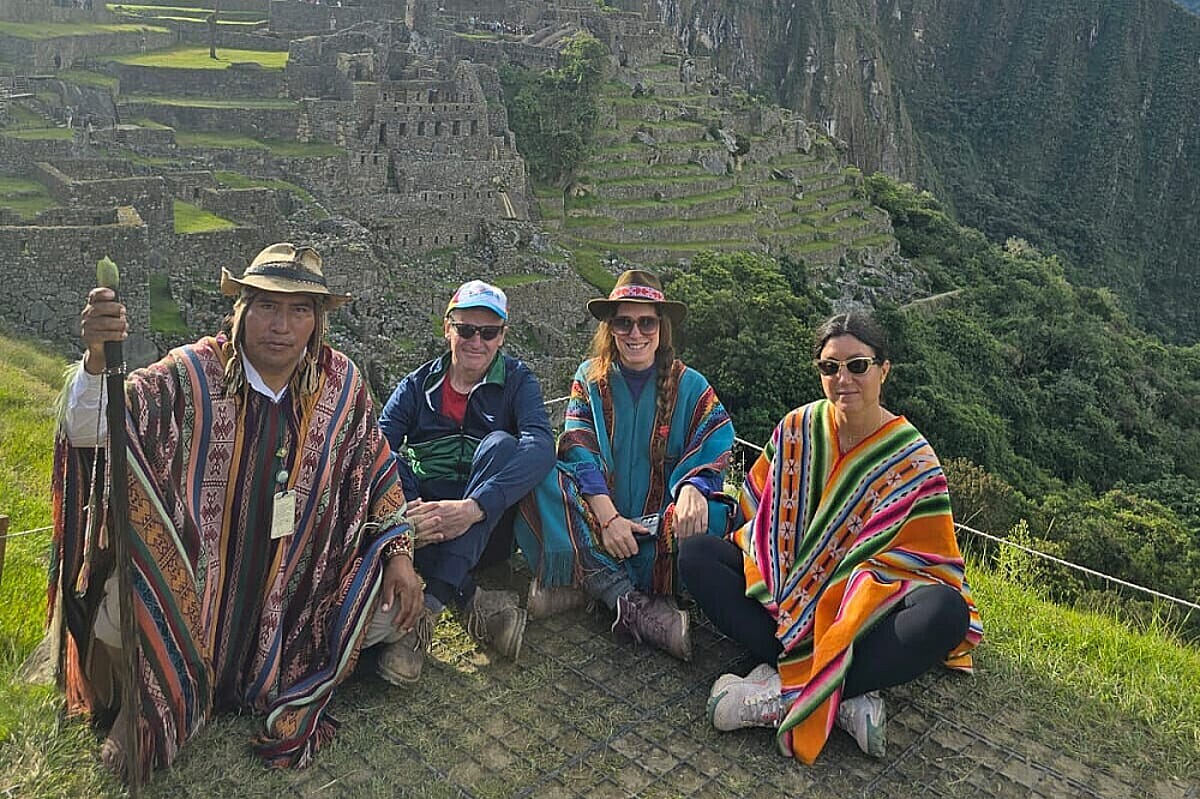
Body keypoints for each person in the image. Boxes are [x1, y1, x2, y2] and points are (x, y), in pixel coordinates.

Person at [52, 243, 425, 779]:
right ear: (242, 309)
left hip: (302, 594)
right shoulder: (189, 375)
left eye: (300, 310)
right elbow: (93, 428)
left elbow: (376, 466)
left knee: (391, 607)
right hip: (200, 593)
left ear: (317, 321)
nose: (283, 325)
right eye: (268, 306)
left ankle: (384, 634)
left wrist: (399, 552)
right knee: (117, 620)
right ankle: (149, 701)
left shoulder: (341, 384)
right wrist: (95, 357)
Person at [678, 310, 983, 762]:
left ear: (883, 369)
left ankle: (783, 695)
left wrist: (851, 587)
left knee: (945, 611)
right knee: (696, 555)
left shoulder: (913, 460)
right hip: (785, 597)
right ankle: (845, 696)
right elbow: (756, 512)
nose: (844, 378)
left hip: (861, 615)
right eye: (830, 367)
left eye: (857, 365)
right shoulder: (797, 429)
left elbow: (930, 560)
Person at [514, 270, 735, 661]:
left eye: (646, 322)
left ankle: (585, 580)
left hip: (655, 525)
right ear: (610, 327)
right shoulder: (590, 378)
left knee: (714, 516)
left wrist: (692, 489)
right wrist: (609, 518)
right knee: (536, 474)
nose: (636, 333)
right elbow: (578, 447)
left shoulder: (692, 385)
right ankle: (630, 600)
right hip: (601, 519)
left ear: (661, 328)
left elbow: (714, 440)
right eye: (623, 322)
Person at [377, 280, 554, 683]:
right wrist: (411, 514)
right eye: (466, 329)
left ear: (502, 337)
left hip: (487, 526)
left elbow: (541, 445)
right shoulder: (417, 386)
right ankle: (474, 600)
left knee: (502, 446)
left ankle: (427, 612)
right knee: (388, 459)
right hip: (423, 526)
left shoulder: (517, 382)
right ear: (448, 329)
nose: (477, 341)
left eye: (488, 332)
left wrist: (474, 507)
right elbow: (376, 447)